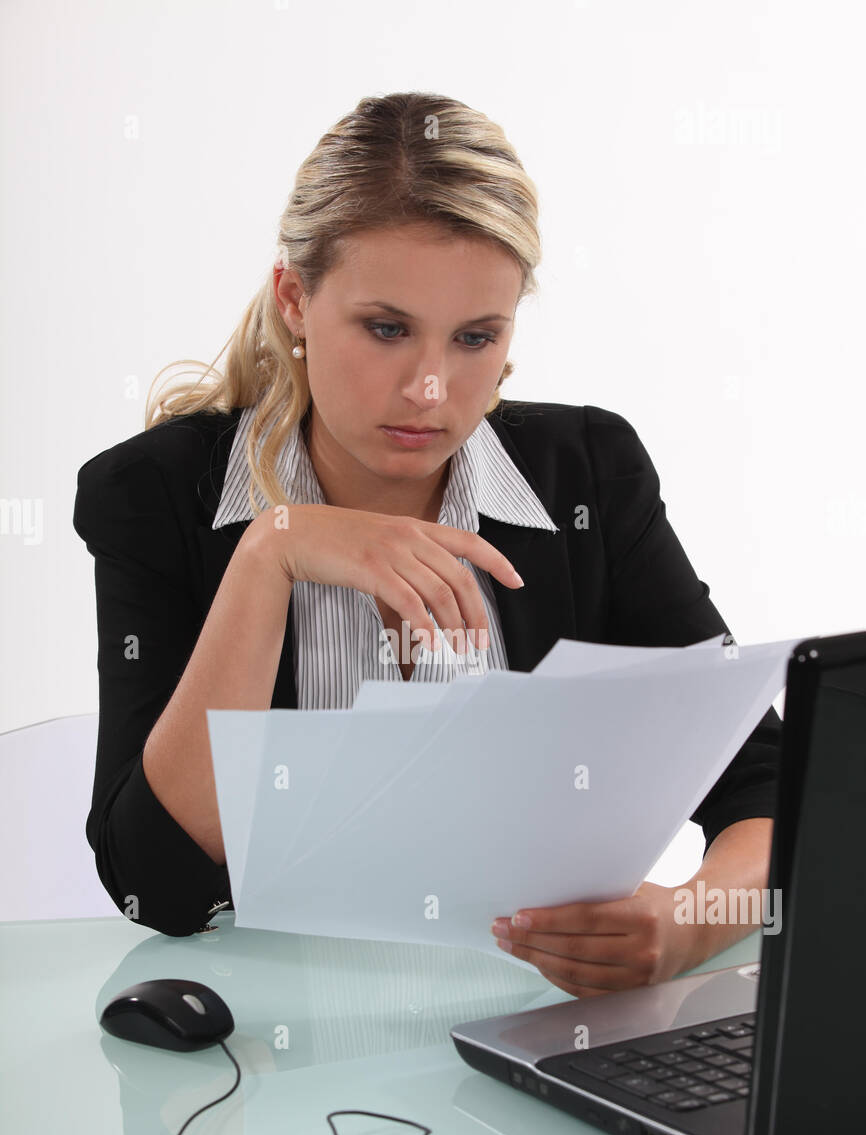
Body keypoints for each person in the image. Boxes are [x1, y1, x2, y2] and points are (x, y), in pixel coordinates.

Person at [72, 91, 781, 996]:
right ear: (295, 297)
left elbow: (766, 781)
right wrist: (268, 554)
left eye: (477, 337)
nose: (430, 389)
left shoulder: (585, 479)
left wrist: (689, 920)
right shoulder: (157, 494)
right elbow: (153, 887)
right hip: (264, 1067)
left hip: (527, 1034)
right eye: (387, 328)